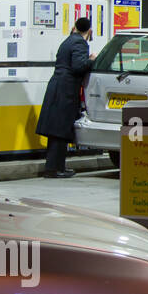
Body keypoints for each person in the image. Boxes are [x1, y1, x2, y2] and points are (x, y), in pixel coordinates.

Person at [35, 16, 95, 178]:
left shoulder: (68, 40)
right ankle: (54, 169)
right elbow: (78, 66)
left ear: (75, 26)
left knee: (57, 131)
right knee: (60, 130)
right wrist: (92, 61)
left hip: (58, 87)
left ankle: (56, 167)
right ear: (89, 31)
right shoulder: (79, 43)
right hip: (65, 90)